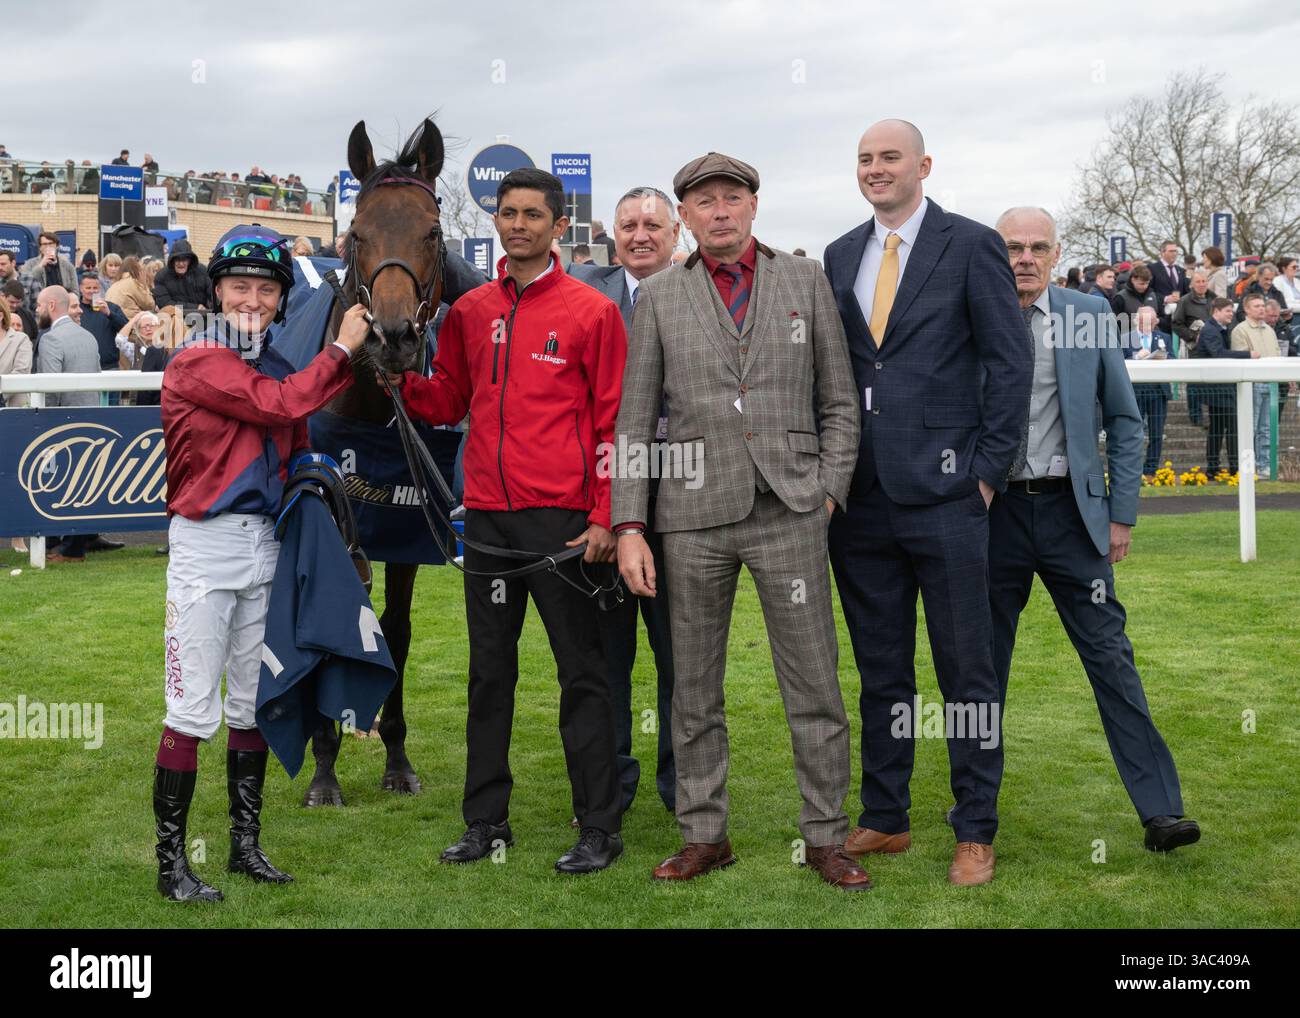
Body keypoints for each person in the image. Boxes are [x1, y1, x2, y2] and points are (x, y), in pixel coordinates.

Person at [616, 152, 868, 891]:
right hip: (690, 517)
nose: (720, 211)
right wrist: (630, 524)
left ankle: (825, 837)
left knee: (814, 683)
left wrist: (828, 489)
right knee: (692, 688)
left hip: (790, 511)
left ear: (753, 206)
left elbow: (840, 401)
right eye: (705, 202)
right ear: (685, 217)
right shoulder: (660, 296)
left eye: (733, 198)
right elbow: (636, 421)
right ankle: (705, 836)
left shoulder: (805, 279)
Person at [388, 168, 628, 875]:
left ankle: (600, 828)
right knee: (489, 676)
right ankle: (486, 822)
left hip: (564, 523)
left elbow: (616, 420)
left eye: (532, 214)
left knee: (582, 677)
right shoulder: (470, 312)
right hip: (487, 519)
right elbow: (446, 400)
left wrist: (609, 515)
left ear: (559, 226)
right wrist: (398, 372)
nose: (517, 224)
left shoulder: (592, 312)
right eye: (507, 212)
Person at [822, 120, 1031, 887]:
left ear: (923, 166)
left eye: (889, 158)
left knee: (965, 672)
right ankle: (886, 816)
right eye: (865, 159)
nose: (875, 169)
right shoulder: (841, 254)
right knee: (882, 671)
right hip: (864, 502)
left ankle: (975, 826)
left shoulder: (971, 244)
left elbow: (1011, 364)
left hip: (949, 497)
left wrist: (984, 474)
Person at [151, 224, 369, 902]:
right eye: (240, 286)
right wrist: (340, 350)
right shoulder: (199, 358)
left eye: (266, 288)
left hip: (265, 543)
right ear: (217, 292)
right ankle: (171, 867)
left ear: (280, 298)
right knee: (191, 711)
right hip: (205, 544)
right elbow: (278, 405)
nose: (252, 298)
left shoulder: (277, 362)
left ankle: (246, 847)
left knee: (250, 703)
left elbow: (297, 442)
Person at [990, 207, 1200, 853]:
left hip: (1071, 520)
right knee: (978, 671)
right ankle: (975, 813)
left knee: (1112, 660)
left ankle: (1162, 811)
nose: (1025, 257)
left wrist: (1120, 512)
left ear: (1056, 255)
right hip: (989, 519)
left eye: (1038, 247)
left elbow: (1126, 420)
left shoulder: (1086, 315)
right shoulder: (969, 313)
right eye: (1012, 247)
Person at [569, 185, 680, 819]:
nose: (640, 235)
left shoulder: (699, 293)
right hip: (601, 508)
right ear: (613, 233)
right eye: (628, 225)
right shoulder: (584, 291)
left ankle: (680, 792)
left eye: (653, 225)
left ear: (676, 233)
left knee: (680, 661)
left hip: (683, 507)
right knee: (604, 660)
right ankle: (608, 786)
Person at [34, 286, 101, 564]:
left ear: (51, 305)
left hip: (61, 423)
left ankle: (69, 548)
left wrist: (42, 422)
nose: (35, 309)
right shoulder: (88, 336)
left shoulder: (51, 339)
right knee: (83, 485)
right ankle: (74, 545)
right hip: (92, 419)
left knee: (56, 486)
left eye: (38, 305)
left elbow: (50, 389)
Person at [1193, 297, 1256, 475]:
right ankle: (1233, 467)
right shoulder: (1210, 330)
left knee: (1218, 429)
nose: (1231, 314)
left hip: (1221, 387)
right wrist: (1248, 355)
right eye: (1228, 311)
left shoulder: (1218, 328)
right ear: (1217, 311)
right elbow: (1218, 353)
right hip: (1218, 389)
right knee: (1229, 428)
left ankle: (1215, 468)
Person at [1231, 293, 1281, 475]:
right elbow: (1241, 357)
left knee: (1267, 428)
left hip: (1271, 383)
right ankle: (1248, 466)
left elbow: (1276, 354)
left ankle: (1264, 465)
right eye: (1257, 306)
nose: (1261, 308)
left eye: (1262, 305)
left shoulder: (1269, 329)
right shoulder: (1240, 330)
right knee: (1250, 427)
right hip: (1251, 384)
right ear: (1246, 309)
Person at [1122, 305, 1173, 478]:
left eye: (1151, 321)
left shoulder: (1164, 337)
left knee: (1157, 433)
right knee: (1132, 432)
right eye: (1144, 320)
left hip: (1158, 391)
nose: (1148, 324)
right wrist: (1136, 358)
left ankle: (1151, 469)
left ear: (1156, 321)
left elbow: (1173, 359)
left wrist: (1163, 358)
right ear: (1137, 320)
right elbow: (1118, 362)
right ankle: (1132, 467)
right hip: (1134, 392)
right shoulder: (1125, 338)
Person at [74, 274, 129, 407]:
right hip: (84, 369)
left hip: (110, 368)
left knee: (111, 411)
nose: (92, 291)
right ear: (81, 289)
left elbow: (127, 328)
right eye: (88, 287)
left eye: (95, 288)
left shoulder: (111, 307)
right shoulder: (76, 309)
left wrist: (109, 314)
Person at [1173, 270, 1215, 426]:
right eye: (1198, 281)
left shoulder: (1215, 299)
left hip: (1213, 347)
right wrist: (1192, 336)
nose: (1202, 284)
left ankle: (1212, 416)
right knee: (1195, 383)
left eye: (1204, 281)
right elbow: (1176, 324)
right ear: (1192, 284)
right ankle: (1196, 416)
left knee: (1214, 382)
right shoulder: (1184, 301)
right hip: (1195, 347)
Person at [19, 233, 77, 313]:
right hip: (41, 309)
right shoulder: (30, 264)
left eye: (51, 244)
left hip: (62, 309)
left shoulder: (68, 266)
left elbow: (75, 291)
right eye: (45, 244)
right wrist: (41, 265)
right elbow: (26, 283)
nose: (48, 247)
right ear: (40, 248)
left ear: (57, 246)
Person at [152, 239, 211, 314]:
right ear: (172, 260)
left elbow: (213, 295)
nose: (181, 263)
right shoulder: (161, 277)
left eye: (184, 259)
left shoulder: (202, 271)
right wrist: (195, 308)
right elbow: (165, 304)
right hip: (175, 320)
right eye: (177, 260)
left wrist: (210, 309)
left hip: (204, 318)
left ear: (189, 260)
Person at [1147, 240, 1187, 334]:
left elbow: (1184, 291)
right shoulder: (1152, 268)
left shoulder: (1180, 270)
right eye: (1171, 251)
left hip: (1178, 316)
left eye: (1175, 251)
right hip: (1161, 315)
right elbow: (1149, 290)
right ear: (1162, 252)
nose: (1174, 254)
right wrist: (1164, 298)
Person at [1109, 263, 1159, 331]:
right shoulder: (1120, 297)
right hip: (1129, 338)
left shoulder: (1152, 295)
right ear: (1133, 280)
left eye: (1147, 283)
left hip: (1152, 337)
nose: (1145, 286)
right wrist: (1137, 319)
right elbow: (1114, 322)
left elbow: (1161, 316)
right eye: (1141, 284)